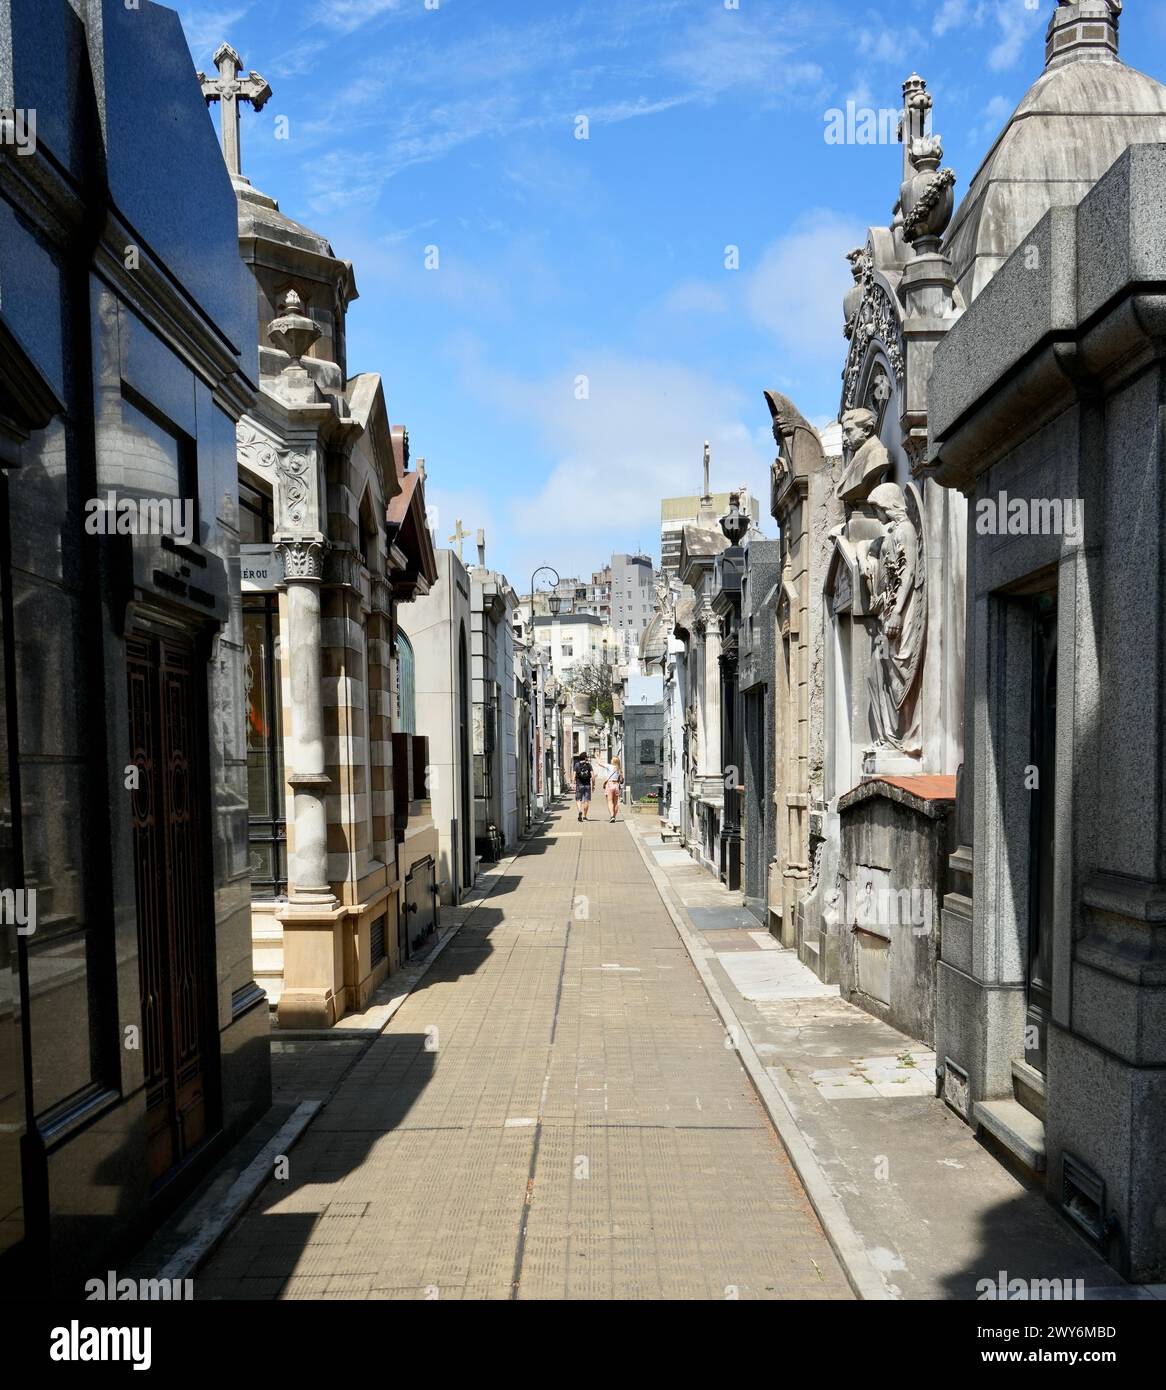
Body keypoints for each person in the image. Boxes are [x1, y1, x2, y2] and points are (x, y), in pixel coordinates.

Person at [591, 755, 624, 822]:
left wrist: (597, 757)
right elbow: (622, 779)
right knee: (615, 803)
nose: (611, 760)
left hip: (610, 784)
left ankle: (612, 816)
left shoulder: (610, 766)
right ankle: (614, 816)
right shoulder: (619, 769)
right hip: (616, 785)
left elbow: (600, 763)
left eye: (612, 759)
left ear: (614, 761)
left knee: (610, 801)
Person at [573, 752, 593, 821]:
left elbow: (574, 775)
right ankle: (585, 816)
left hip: (579, 785)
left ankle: (579, 811)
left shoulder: (577, 765)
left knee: (578, 799)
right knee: (586, 801)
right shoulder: (589, 765)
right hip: (587, 785)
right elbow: (593, 776)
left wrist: (573, 783)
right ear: (585, 758)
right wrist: (593, 785)